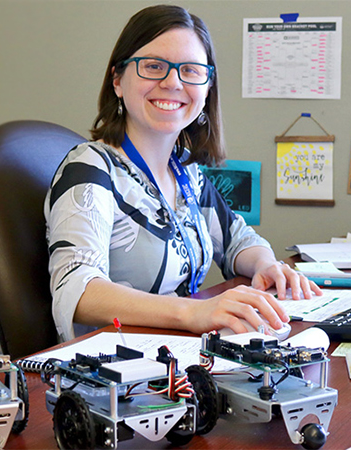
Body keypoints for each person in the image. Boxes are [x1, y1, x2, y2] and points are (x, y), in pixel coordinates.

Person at [44, 4, 322, 342]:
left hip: (180, 355)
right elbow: (78, 289)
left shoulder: (185, 170)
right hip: (117, 373)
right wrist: (194, 312)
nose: (172, 82)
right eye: (153, 66)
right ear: (117, 79)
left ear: (206, 89)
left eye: (190, 71)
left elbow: (237, 240)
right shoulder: (90, 168)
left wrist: (267, 266)